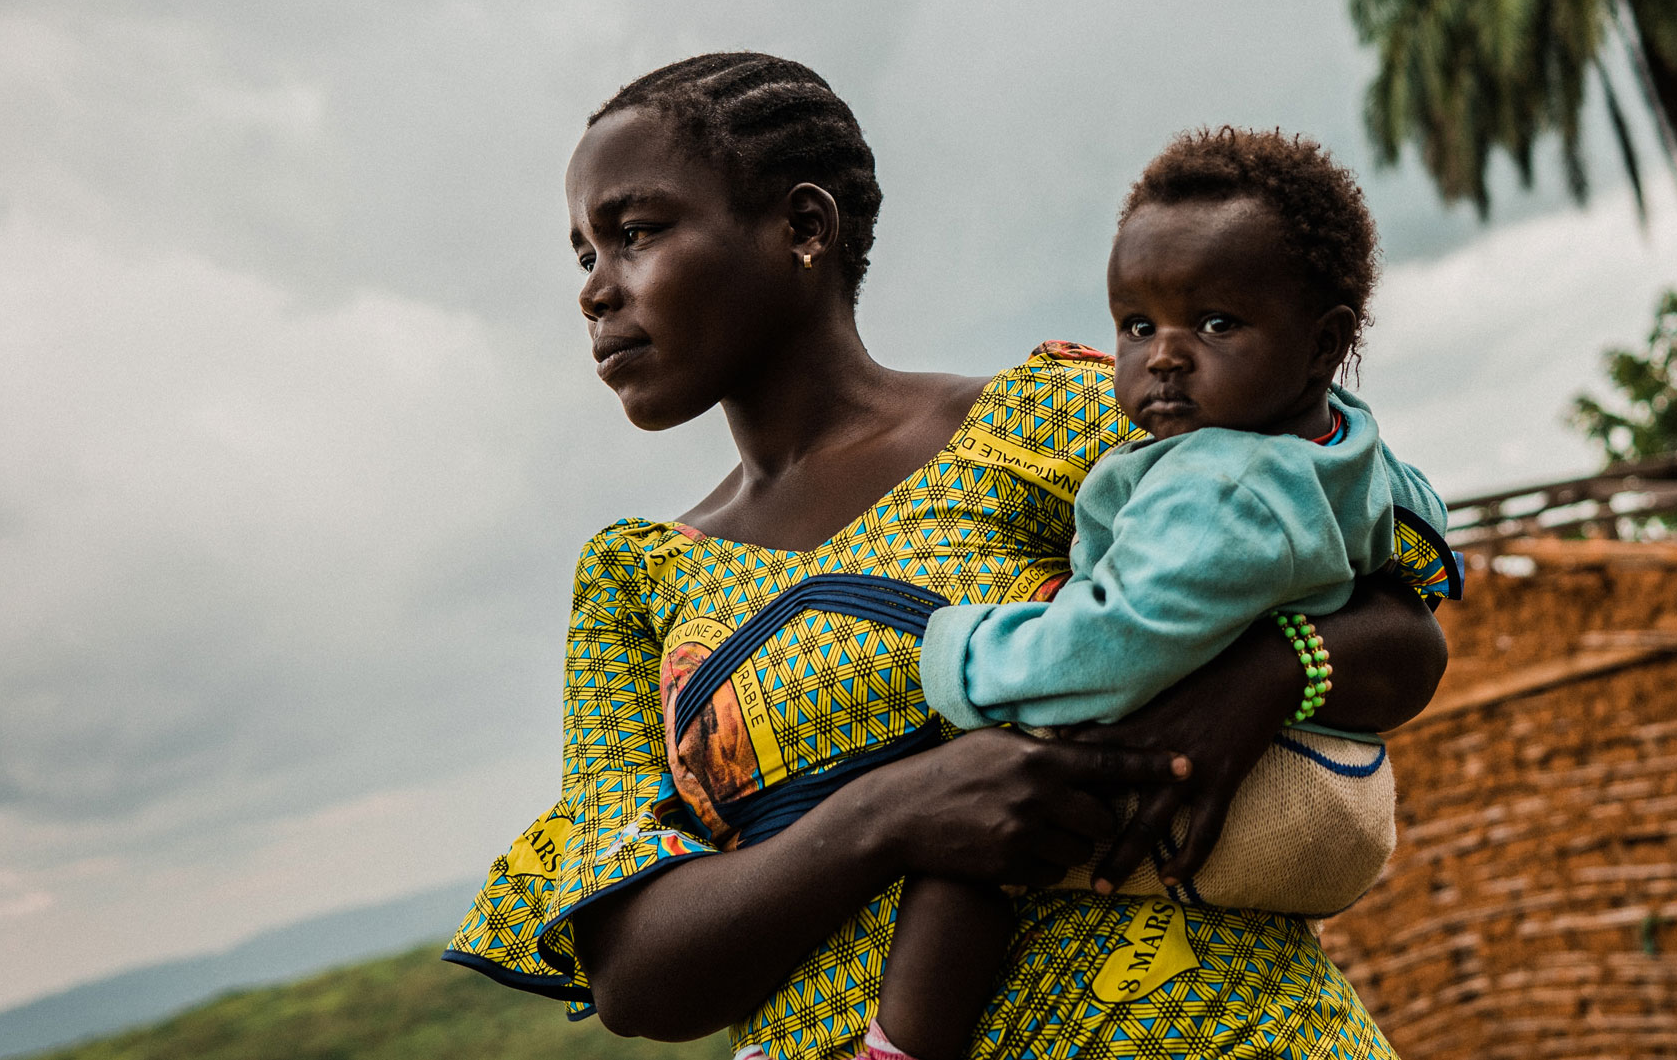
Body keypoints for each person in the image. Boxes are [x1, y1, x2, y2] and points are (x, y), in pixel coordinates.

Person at [442, 52, 1459, 1060]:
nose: (596, 290)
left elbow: (1401, 625)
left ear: (803, 227)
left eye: (635, 232)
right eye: (584, 255)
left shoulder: (1049, 417)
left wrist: (1260, 681)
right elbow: (638, 975)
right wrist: (896, 812)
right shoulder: (637, 582)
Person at [874, 128, 1441, 1060]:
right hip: (1330, 780)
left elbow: (1109, 644)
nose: (1164, 357)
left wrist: (958, 654)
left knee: (967, 837)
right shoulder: (1341, 444)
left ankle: (897, 1048)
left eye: (1216, 324)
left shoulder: (1217, 485)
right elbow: (1418, 526)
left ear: (1324, 343)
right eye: (1137, 325)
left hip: (1220, 786)